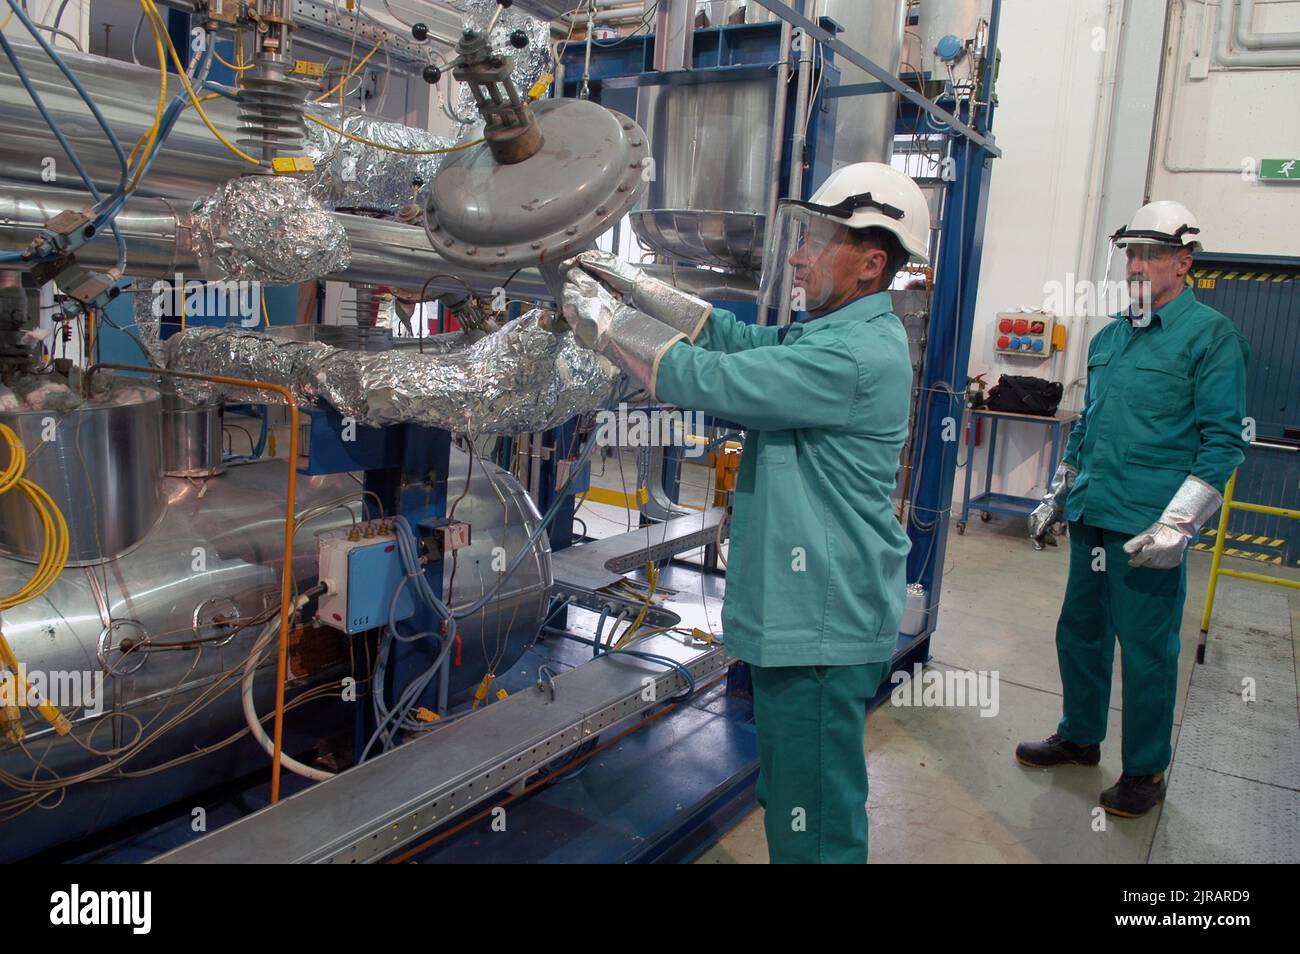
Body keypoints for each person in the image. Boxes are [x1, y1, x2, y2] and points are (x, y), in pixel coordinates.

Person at [560, 162, 930, 862]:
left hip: (820, 626)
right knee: (796, 803)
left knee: (813, 824)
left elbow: (714, 379)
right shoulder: (832, 334)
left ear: (870, 263)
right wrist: (620, 277)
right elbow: (729, 338)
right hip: (810, 614)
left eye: (818, 241)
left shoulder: (852, 356)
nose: (797, 253)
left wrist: (601, 321)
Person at [1019, 200, 1250, 817]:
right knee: (1082, 633)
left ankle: (1145, 770)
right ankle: (1080, 736)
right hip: (1094, 514)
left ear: (1184, 261)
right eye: (1132, 253)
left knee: (1146, 650)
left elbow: (1225, 441)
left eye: (1152, 254)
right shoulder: (1110, 338)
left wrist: (1179, 524)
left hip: (1148, 528)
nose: (1138, 265)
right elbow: (1087, 430)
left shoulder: (1211, 338)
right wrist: (1057, 493)